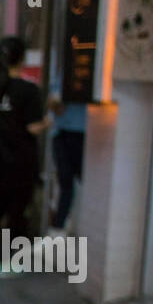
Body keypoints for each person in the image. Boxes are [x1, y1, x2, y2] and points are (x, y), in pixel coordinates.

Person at [0, 36, 52, 278]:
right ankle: (8, 263)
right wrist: (49, 120)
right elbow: (33, 127)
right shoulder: (28, 91)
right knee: (17, 213)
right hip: (21, 163)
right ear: (22, 59)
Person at [46, 91, 85, 234]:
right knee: (65, 182)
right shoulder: (59, 71)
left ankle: (69, 227)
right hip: (61, 131)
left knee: (80, 182)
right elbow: (51, 100)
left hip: (83, 131)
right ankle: (58, 228)